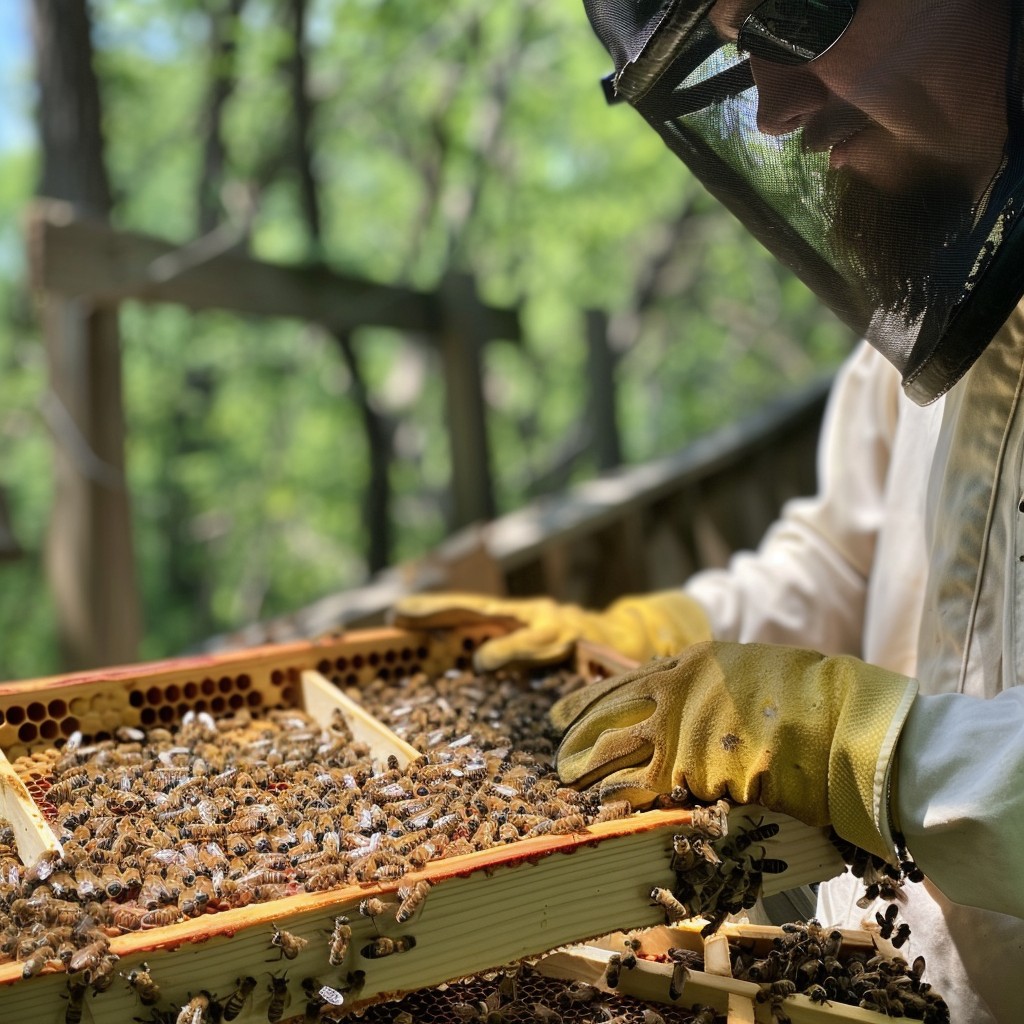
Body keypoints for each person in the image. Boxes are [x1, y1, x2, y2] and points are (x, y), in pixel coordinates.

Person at [394, 2, 1024, 1020]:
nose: (771, 109)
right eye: (735, 52)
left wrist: (871, 748)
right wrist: (657, 645)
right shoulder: (946, 265)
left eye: (786, 11)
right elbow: (846, 560)